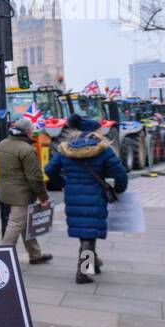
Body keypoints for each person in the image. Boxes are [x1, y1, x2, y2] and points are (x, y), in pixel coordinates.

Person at [44, 115, 128, 283]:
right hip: (95, 194)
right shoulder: (103, 150)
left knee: (86, 231)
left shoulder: (65, 149)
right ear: (94, 131)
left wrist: (63, 183)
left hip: (73, 195)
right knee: (89, 233)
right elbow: (120, 173)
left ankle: (93, 263)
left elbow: (49, 169)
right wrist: (119, 189)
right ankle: (83, 272)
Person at [0, 116, 54, 265]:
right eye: (32, 130)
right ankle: (2, 258)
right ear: (28, 132)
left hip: (6, 190)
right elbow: (35, 178)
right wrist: (43, 198)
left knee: (26, 224)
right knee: (16, 224)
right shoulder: (27, 150)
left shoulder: (2, 144)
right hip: (21, 194)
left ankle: (35, 254)